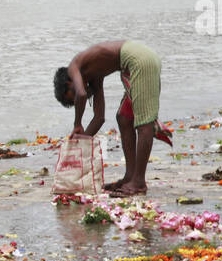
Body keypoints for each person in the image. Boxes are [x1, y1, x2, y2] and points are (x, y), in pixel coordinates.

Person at [53, 41, 172, 197]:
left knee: (144, 125)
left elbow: (81, 95)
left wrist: (77, 124)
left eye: (72, 96)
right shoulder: (95, 75)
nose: (81, 96)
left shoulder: (74, 66)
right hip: (134, 64)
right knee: (124, 118)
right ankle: (130, 177)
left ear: (70, 82)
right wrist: (82, 140)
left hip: (140, 61)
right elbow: (99, 117)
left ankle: (139, 182)